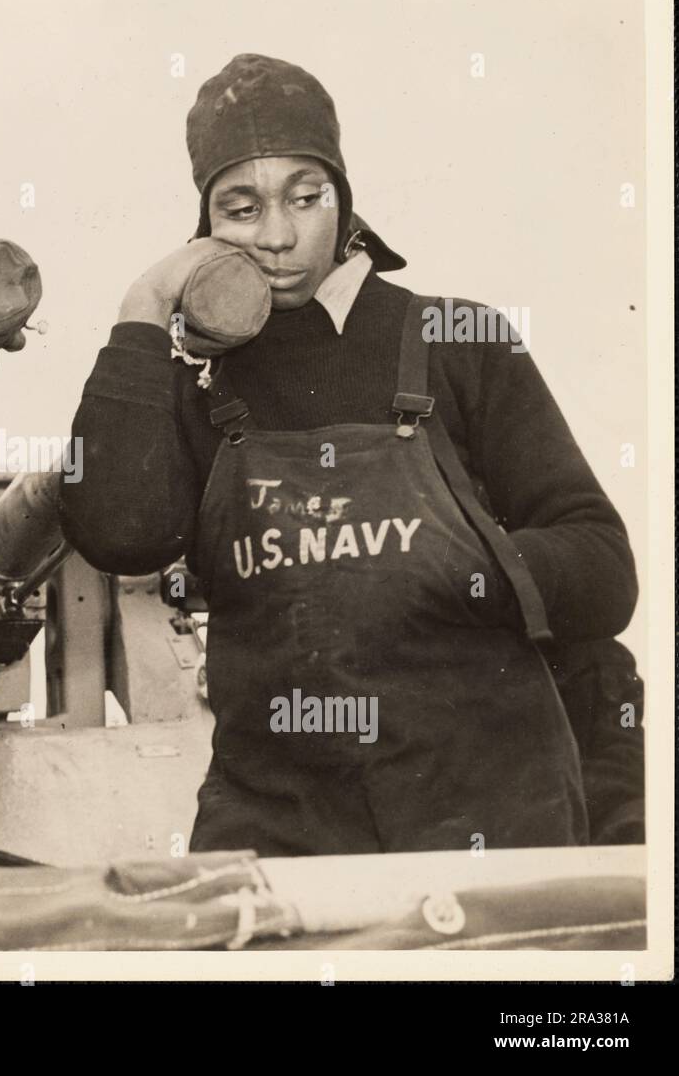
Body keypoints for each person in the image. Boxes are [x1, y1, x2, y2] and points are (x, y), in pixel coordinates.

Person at [59, 54, 638, 857]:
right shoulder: (194, 383)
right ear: (204, 226)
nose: (279, 234)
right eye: (241, 207)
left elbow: (605, 569)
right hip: (280, 842)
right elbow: (117, 533)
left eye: (307, 196)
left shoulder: (456, 341)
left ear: (344, 195)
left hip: (489, 833)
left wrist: (445, 564)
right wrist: (144, 310)